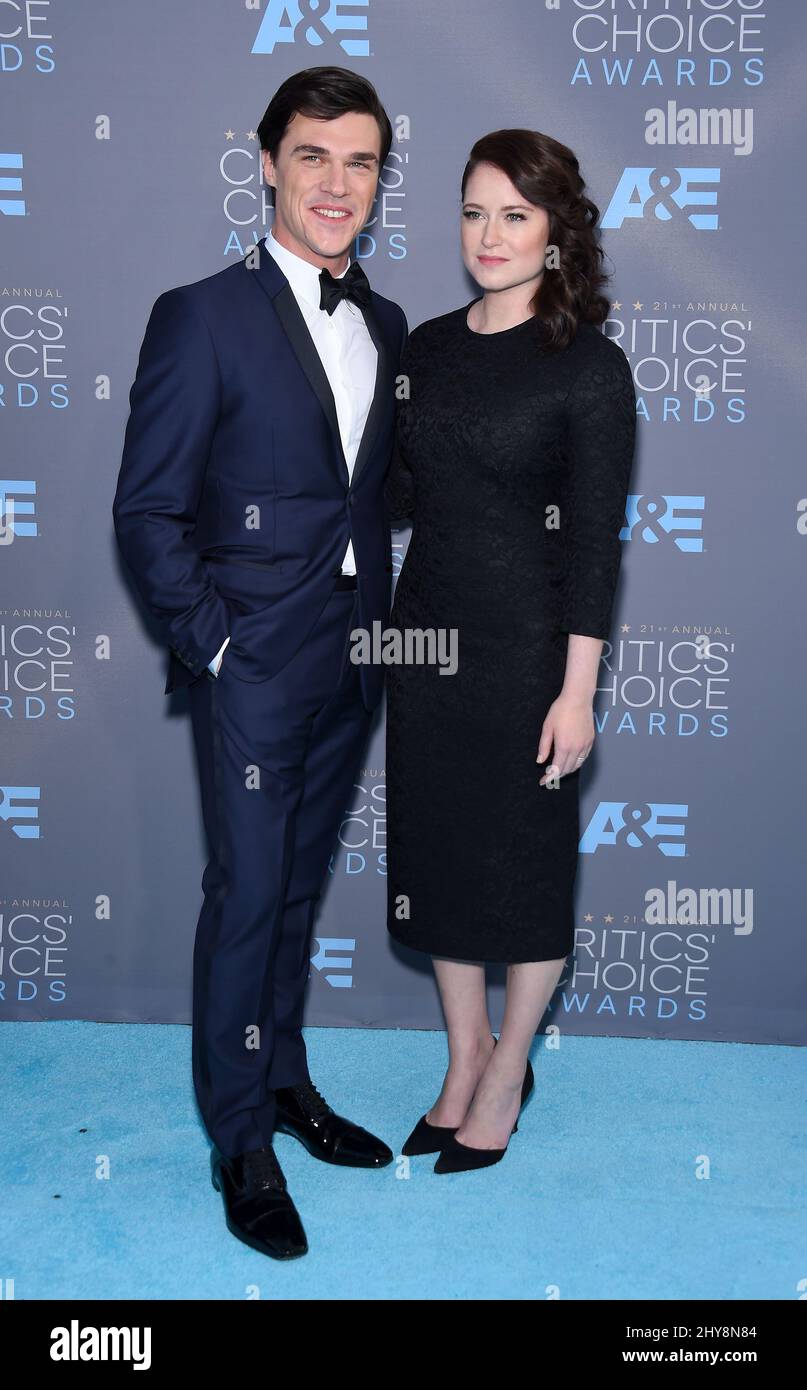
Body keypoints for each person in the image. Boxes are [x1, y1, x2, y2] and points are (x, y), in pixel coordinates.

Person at [113, 66, 407, 1258]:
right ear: (270, 163)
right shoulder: (200, 312)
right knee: (243, 900)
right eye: (315, 157)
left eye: (363, 161)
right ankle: (238, 1139)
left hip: (354, 662)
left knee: (293, 894)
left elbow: (368, 494)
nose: (338, 184)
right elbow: (147, 511)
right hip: (254, 667)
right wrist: (220, 643)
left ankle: (282, 1081)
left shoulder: (383, 323)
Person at [384, 129, 637, 1174]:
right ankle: (463, 1058)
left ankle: (509, 1066)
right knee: (440, 859)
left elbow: (589, 548)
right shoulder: (427, 348)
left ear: (556, 233)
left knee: (525, 871)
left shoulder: (587, 365)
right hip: (426, 642)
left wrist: (578, 693)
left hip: (533, 659)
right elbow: (393, 495)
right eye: (475, 211)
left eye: (515, 215)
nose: (490, 235)